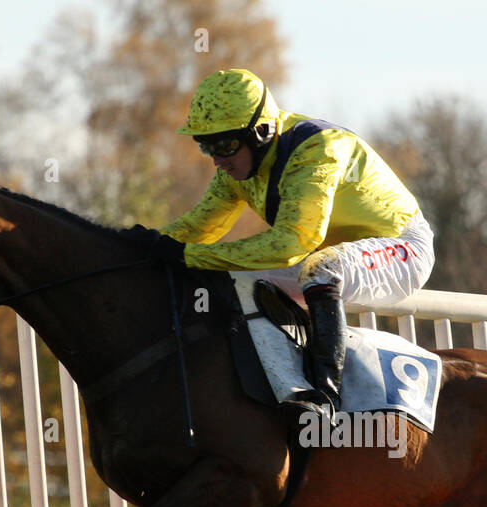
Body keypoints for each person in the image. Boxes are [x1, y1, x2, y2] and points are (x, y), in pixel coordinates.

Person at [125, 68, 435, 414]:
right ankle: (291, 390)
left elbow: (293, 243)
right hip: (336, 255)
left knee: (322, 268)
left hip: (404, 246)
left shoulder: (317, 150)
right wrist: (136, 247)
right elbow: (198, 228)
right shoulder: (237, 168)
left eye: (225, 144)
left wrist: (188, 256)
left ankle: (326, 396)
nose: (217, 159)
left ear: (262, 131)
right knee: (242, 281)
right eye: (206, 145)